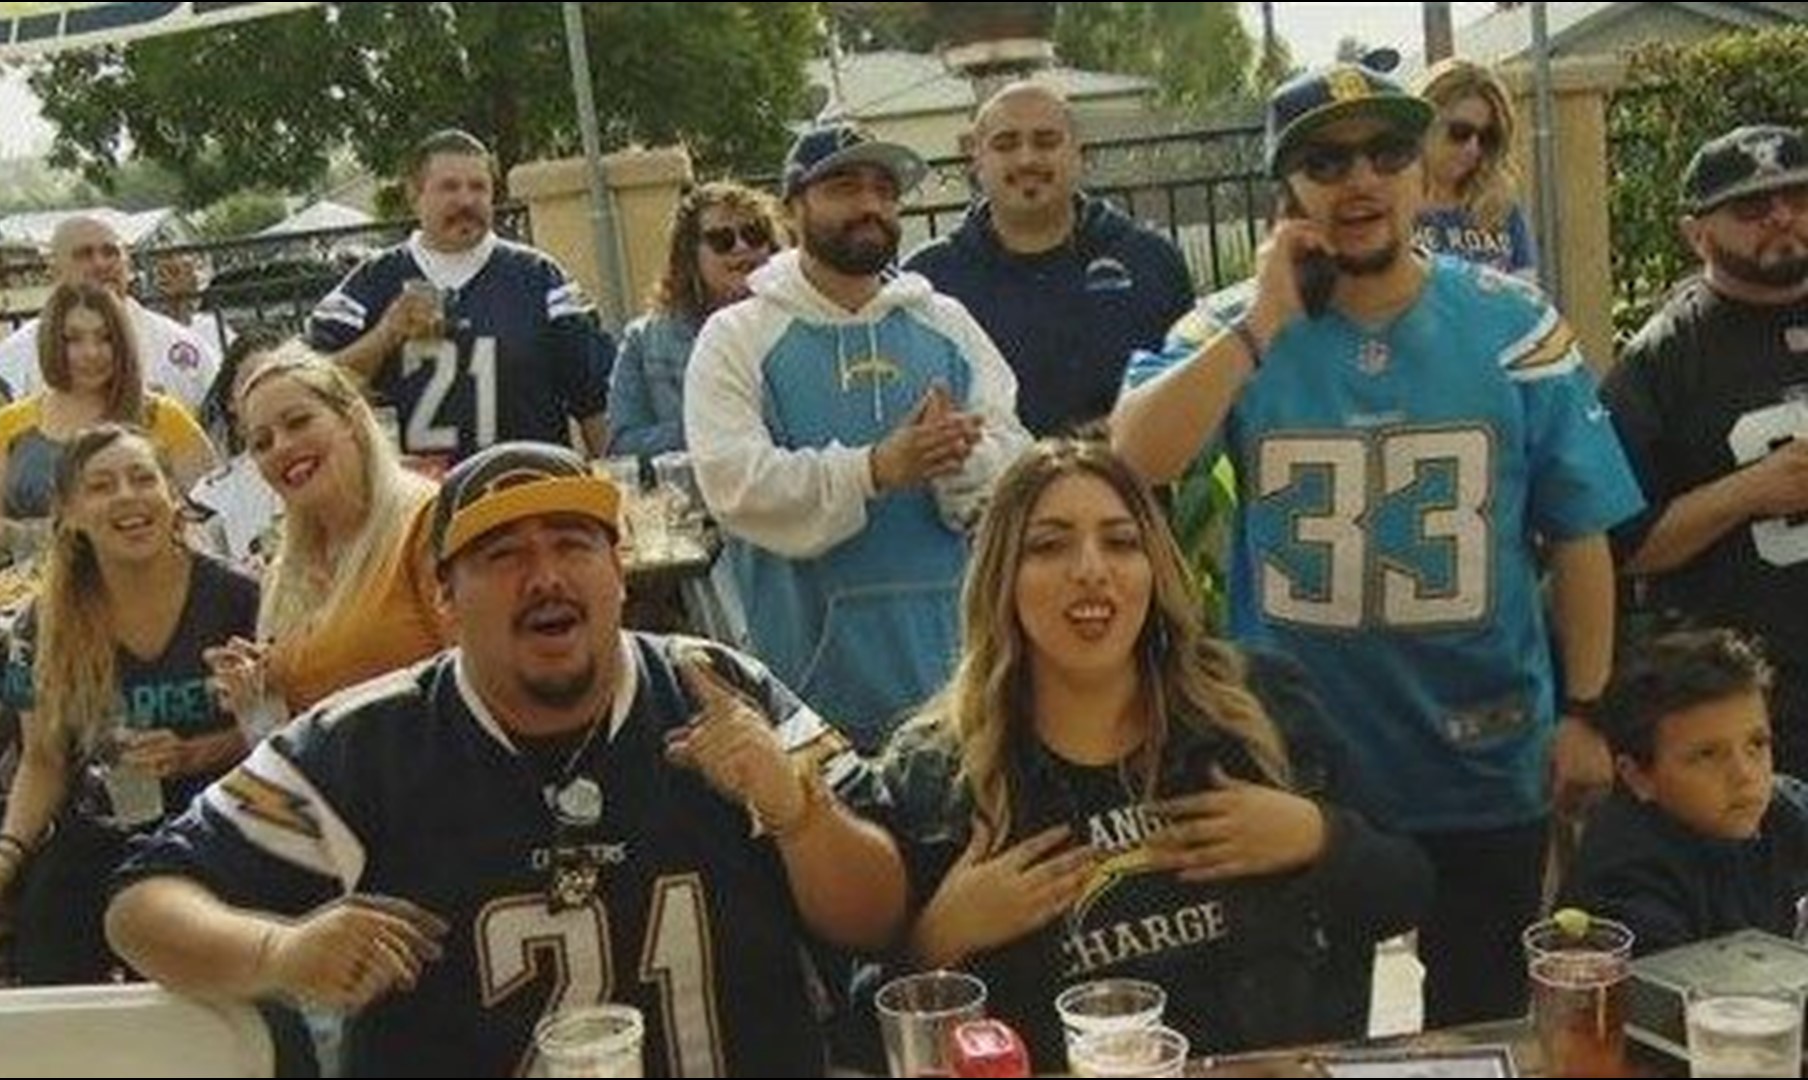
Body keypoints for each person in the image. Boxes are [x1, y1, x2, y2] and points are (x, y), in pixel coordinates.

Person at [1110, 63, 1643, 1026]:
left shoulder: (1513, 324)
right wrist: (1265, 321)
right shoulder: (1229, 326)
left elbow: (1580, 533)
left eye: (1387, 151)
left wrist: (1590, 710)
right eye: (1325, 159)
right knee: (1305, 1031)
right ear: (1289, 187)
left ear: (1420, 168)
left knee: (1480, 1027)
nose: (1359, 180)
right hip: (1300, 764)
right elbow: (1136, 454)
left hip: (1480, 748)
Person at [105, 441, 908, 1077]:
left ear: (618, 574)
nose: (546, 575)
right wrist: (279, 952)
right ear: (445, 601)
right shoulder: (373, 741)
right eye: (503, 556)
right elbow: (141, 907)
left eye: (573, 543)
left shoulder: (722, 689)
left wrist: (799, 812)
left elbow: (882, 913)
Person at [877, 439, 1431, 1069]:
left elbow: (1407, 889)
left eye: (1120, 541)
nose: (1091, 568)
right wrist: (939, 938)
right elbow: (863, 1030)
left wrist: (1320, 837)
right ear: (1001, 577)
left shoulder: (1259, 707)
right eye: (1049, 545)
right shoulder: (937, 769)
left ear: (1155, 567)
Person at [684, 121, 1030, 751]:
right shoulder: (737, 336)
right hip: (807, 699)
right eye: (843, 186)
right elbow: (734, 482)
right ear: (794, 207)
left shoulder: (945, 323)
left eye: (883, 188)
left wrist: (962, 463)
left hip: (958, 694)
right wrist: (875, 469)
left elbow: (1016, 462)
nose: (869, 204)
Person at [0, 424, 259, 983]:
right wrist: (3, 858)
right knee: (51, 974)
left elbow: (290, 730)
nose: (127, 496)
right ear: (70, 512)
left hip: (221, 825)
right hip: (100, 833)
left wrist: (200, 752)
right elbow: (42, 760)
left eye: (143, 478)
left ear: (171, 496)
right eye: (102, 486)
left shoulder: (240, 597)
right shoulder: (43, 623)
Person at [1600, 124, 1808, 776]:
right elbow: (1620, 549)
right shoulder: (1659, 363)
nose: (1780, 216)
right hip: (1751, 703)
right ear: (1697, 234)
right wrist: (1751, 490)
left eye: (1797, 196)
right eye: (1750, 207)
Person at [904, 81, 1195, 437]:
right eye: (1006, 144)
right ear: (977, 161)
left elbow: (1192, 401)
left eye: (1046, 141)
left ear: (1078, 154)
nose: (1027, 159)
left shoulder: (1151, 262)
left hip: (1128, 486)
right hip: (987, 492)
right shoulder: (928, 279)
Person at [307, 128, 614, 465]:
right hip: (416, 503)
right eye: (449, 187)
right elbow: (310, 389)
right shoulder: (371, 283)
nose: (466, 200)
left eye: (478, 187)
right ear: (415, 193)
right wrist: (384, 335)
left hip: (528, 496)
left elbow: (595, 400)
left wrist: (617, 497)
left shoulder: (541, 278)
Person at [205, 348, 448, 721]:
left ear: (351, 419)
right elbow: (287, 736)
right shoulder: (282, 573)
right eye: (262, 442)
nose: (282, 446)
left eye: (298, 422)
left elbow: (482, 681)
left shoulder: (427, 519)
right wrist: (256, 695)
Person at [1563, 627, 1808, 956]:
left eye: (1756, 744)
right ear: (1637, 776)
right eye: (1707, 755)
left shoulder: (1779, 809)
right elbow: (1685, 997)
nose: (1744, 774)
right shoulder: (1623, 880)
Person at [0, 282, 216, 559]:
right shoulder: (10, 423)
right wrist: (53, 534)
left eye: (105, 338)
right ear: (51, 342)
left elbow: (212, 513)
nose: (91, 352)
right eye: (72, 339)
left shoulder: (163, 417)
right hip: (40, 591)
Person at [607, 181, 784, 462]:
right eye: (721, 240)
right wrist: (711, 429)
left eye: (754, 234)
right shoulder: (645, 340)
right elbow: (623, 446)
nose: (741, 247)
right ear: (689, 255)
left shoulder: (797, 326)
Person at [0, 215, 222, 410]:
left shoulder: (183, 347)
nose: (101, 264)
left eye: (111, 253)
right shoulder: (12, 360)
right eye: (84, 254)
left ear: (128, 265)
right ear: (53, 270)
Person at [1412, 59, 1537, 280]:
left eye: (1487, 137)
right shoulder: (1394, 206)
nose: (1473, 147)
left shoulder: (1500, 211)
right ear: (1424, 124)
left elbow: (1526, 298)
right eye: (1460, 132)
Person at [187, 327, 288, 569]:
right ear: (231, 401)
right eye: (252, 384)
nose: (267, 393)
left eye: (280, 379)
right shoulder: (209, 496)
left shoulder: (337, 464)